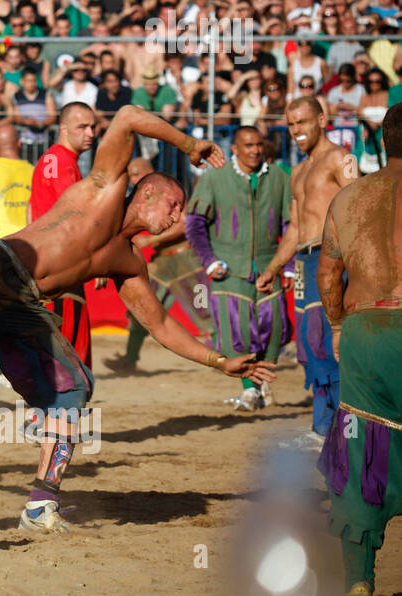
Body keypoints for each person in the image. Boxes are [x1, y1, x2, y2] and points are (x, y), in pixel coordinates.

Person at [0, 105, 274, 531]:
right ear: (148, 193)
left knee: (74, 389)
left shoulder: (130, 263)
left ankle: (41, 505)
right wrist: (191, 144)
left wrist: (219, 362)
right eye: (174, 206)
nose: (177, 218)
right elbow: (129, 116)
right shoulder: (103, 187)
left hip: (23, 307)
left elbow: (161, 327)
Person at [316, 104, 402, 596]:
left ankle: (359, 581)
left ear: (384, 142)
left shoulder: (349, 199)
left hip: (367, 332)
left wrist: (335, 324)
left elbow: (328, 274)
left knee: (361, 447)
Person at [257, 96, 359, 446]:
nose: (296, 130)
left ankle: (344, 427)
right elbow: (296, 229)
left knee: (328, 342)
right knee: (308, 347)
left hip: (332, 259)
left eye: (302, 121)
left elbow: (357, 210)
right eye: (291, 123)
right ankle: (321, 427)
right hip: (303, 262)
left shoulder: (340, 159)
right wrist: (273, 267)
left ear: (322, 118)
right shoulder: (297, 171)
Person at [183, 126, 293, 412]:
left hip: (269, 266)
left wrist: (289, 266)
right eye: (248, 145)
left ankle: (261, 381)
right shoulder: (214, 178)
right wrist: (209, 260)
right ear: (234, 148)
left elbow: (288, 225)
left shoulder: (280, 177)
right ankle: (249, 390)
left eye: (259, 145)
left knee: (275, 327)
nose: (255, 151)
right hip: (228, 268)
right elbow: (194, 223)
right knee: (235, 331)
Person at [105, 158, 212, 373]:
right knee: (139, 309)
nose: (133, 179)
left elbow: (184, 223)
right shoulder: (143, 198)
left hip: (184, 261)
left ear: (148, 174)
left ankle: (219, 357)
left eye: (136, 174)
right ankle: (130, 358)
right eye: (131, 175)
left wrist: (151, 241)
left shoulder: (168, 192)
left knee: (205, 313)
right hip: (161, 263)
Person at [31, 102, 98, 370]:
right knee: (69, 356)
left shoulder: (52, 158)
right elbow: (72, 215)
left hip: (46, 265)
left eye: (93, 126)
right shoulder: (63, 162)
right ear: (63, 129)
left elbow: (31, 208)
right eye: (82, 127)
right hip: (61, 268)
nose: (90, 132)